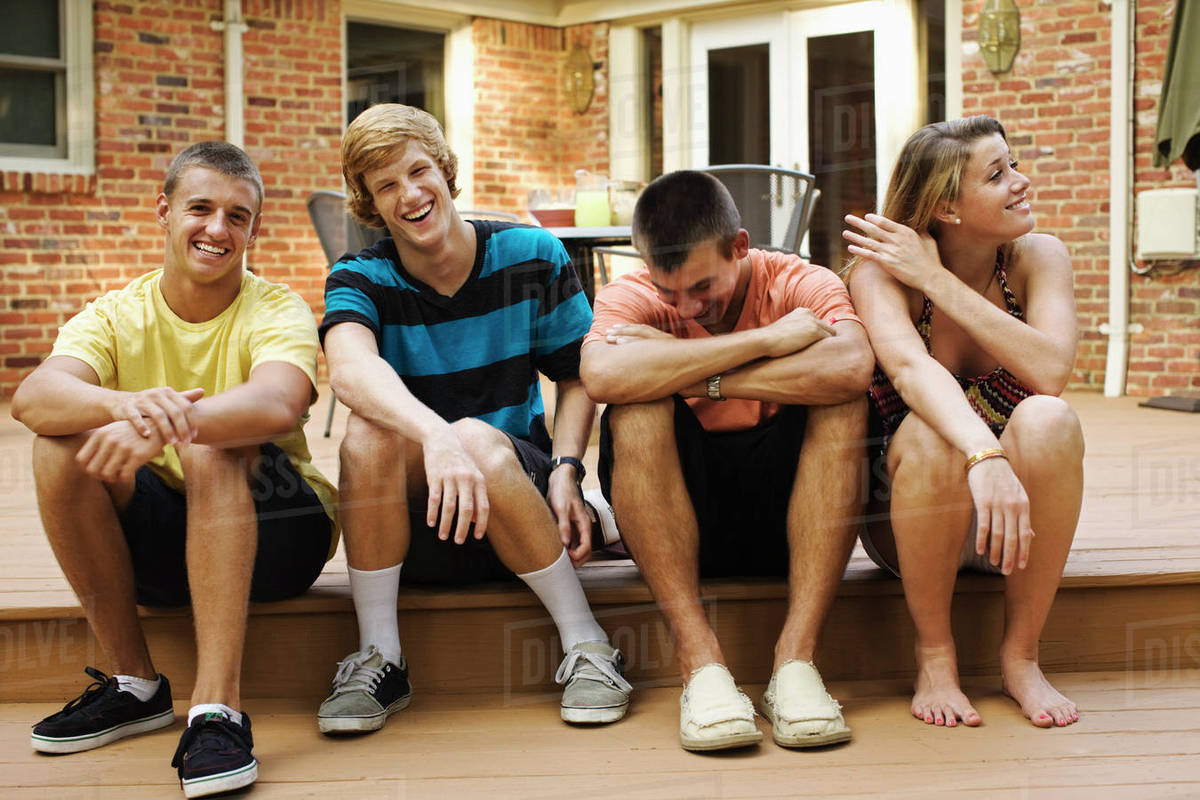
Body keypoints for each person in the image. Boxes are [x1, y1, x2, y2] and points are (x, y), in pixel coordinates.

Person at [11, 141, 338, 797]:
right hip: (168, 544)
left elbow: (280, 401)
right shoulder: (116, 313)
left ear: (253, 230)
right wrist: (123, 405)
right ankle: (134, 683)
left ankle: (217, 709)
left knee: (213, 444)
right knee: (58, 445)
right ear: (164, 211)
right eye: (201, 208)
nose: (218, 229)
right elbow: (33, 398)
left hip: (283, 532)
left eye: (237, 216)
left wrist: (169, 423)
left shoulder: (275, 307)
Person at [316, 103, 631, 733]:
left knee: (478, 442)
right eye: (386, 185)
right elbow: (349, 371)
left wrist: (567, 468)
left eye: (419, 170)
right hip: (420, 528)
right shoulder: (359, 276)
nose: (410, 194)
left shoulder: (530, 253)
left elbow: (576, 377)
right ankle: (381, 655)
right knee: (367, 437)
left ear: (446, 168)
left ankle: (588, 643)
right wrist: (436, 435)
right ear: (369, 204)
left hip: (521, 502)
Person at [580, 170, 874, 751]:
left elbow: (852, 366)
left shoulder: (796, 280)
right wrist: (762, 343)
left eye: (703, 288)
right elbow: (602, 374)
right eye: (670, 295)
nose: (688, 308)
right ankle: (702, 664)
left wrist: (688, 367)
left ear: (740, 247)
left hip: (793, 516)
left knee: (842, 404)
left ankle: (796, 661)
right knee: (633, 408)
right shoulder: (632, 294)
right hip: (679, 518)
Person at [842, 115, 1083, 729]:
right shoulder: (879, 274)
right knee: (928, 430)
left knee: (1050, 418)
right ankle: (935, 657)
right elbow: (908, 370)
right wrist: (986, 455)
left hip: (1013, 524)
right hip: (914, 521)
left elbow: (1050, 369)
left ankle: (1022, 657)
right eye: (997, 174)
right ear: (946, 206)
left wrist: (938, 280)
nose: (1021, 182)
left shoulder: (1038, 259)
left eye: (1015, 163)